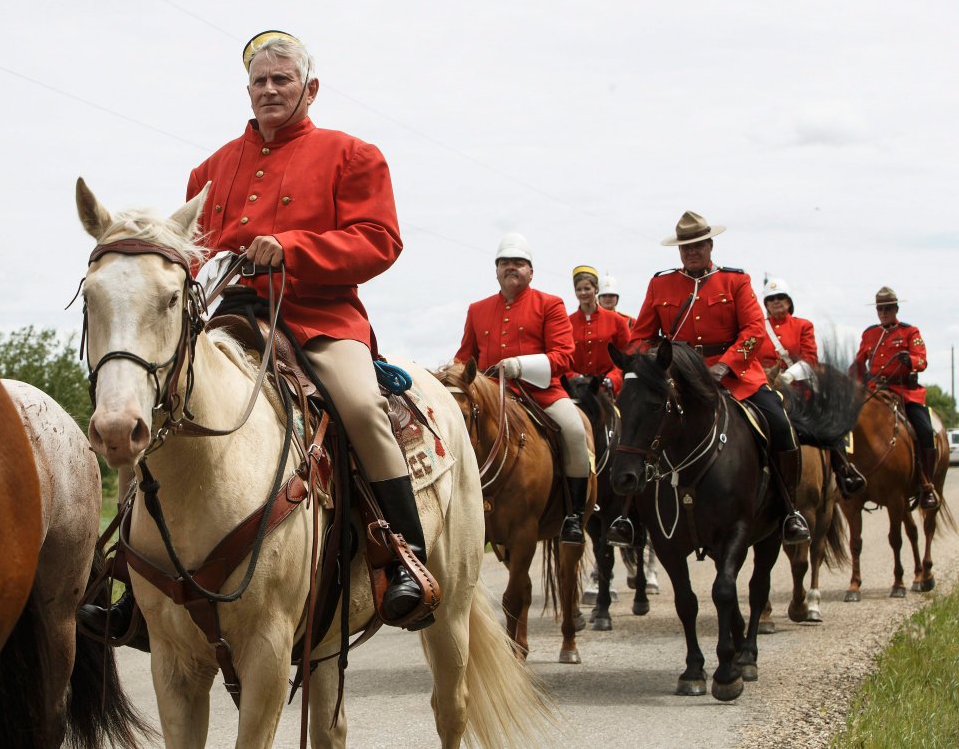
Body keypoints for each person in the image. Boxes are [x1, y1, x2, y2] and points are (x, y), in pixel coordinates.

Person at [82, 31, 434, 636]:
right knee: (151, 407)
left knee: (360, 406)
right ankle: (137, 589)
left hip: (317, 320)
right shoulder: (211, 168)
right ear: (247, 90)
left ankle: (405, 559)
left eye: (282, 80)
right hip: (226, 320)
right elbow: (185, 255)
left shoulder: (353, 154)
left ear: (310, 88)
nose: (270, 90)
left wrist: (294, 248)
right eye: (260, 82)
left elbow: (380, 240)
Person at [628, 211, 811, 545]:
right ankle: (629, 517)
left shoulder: (735, 281)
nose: (691, 252)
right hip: (679, 379)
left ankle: (789, 511)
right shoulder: (660, 284)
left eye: (698, 245)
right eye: (685, 247)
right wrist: (650, 363)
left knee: (780, 424)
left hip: (735, 378)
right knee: (637, 425)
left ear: (710, 245)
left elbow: (755, 330)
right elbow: (641, 336)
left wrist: (725, 366)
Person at [456, 233, 590, 543]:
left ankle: (573, 516)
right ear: (496, 270)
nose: (511, 268)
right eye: (504, 263)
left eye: (518, 263)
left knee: (574, 430)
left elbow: (564, 356)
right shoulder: (477, 309)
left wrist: (521, 366)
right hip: (491, 397)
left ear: (531, 271)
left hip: (540, 393)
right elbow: (465, 357)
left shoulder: (550, 304)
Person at [760, 277, 865, 497]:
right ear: (766, 304)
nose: (776, 302)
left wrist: (787, 377)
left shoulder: (802, 325)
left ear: (789, 302)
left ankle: (843, 469)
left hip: (797, 389)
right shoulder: (758, 328)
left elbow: (810, 359)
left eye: (780, 298)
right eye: (771, 299)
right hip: (765, 387)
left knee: (824, 422)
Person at [850, 287, 938, 511]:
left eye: (887, 308)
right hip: (875, 391)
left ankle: (927, 484)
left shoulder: (910, 332)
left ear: (896, 309)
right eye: (880, 308)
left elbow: (922, 361)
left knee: (925, 431)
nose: (883, 312)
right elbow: (860, 364)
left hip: (904, 392)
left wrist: (910, 360)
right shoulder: (870, 334)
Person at [568, 265, 631, 395]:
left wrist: (612, 380)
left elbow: (626, 356)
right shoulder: (567, 323)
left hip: (609, 389)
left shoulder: (617, 320)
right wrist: (574, 378)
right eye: (578, 289)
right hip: (576, 390)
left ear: (596, 289)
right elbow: (563, 358)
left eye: (587, 288)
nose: (583, 293)